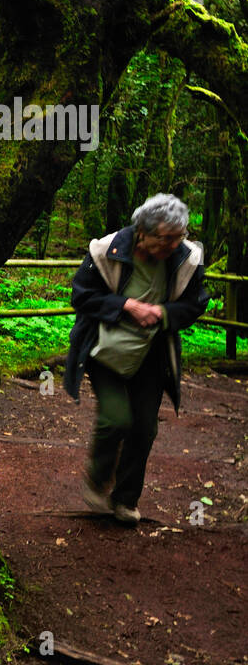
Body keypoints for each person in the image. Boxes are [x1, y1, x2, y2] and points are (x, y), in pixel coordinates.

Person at [63, 193, 209, 525]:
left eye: (179, 236)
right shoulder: (106, 250)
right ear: (142, 231)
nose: (173, 244)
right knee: (116, 419)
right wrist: (126, 306)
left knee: (144, 427)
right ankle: (98, 482)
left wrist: (163, 312)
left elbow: (196, 302)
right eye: (166, 238)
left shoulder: (186, 258)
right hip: (104, 349)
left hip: (153, 354)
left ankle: (125, 499)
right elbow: (81, 296)